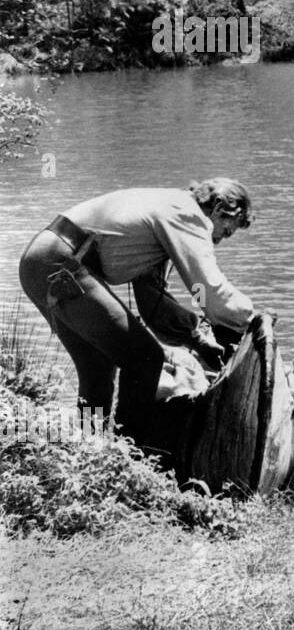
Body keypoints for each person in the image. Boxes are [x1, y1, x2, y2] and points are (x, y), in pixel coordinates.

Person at [17, 180, 256, 439]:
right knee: (145, 358)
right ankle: (130, 451)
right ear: (219, 208)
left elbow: (152, 299)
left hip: (40, 261)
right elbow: (206, 289)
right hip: (61, 263)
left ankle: (89, 445)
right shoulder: (187, 215)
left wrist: (196, 340)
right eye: (226, 231)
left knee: (97, 366)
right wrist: (252, 320)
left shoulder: (169, 208)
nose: (218, 240)